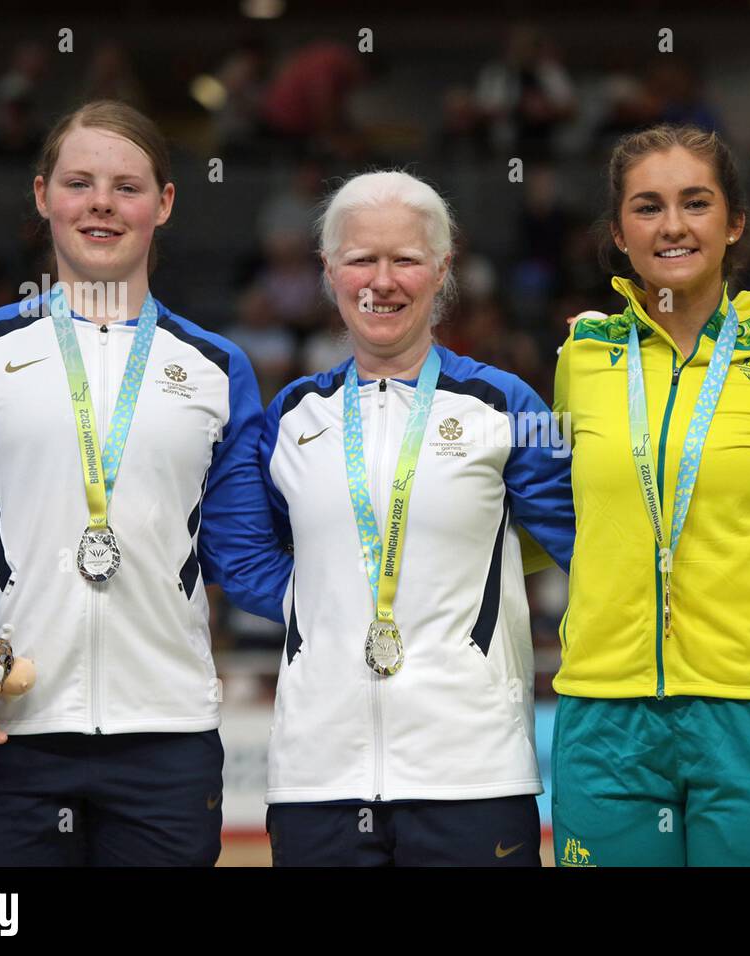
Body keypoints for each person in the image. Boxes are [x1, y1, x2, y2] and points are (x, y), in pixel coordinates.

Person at [0, 100, 291, 866]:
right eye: (80, 182)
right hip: (4, 731)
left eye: (127, 186)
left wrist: (366, 593)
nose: (102, 202)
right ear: (43, 196)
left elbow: (240, 559)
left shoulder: (217, 368)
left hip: (167, 740)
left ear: (164, 204)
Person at [259, 170, 575, 866]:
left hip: (473, 773)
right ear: (329, 271)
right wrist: (318, 617)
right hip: (318, 777)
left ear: (441, 269)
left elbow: (583, 541)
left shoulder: (503, 404)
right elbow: (247, 551)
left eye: (404, 259)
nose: (383, 280)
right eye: (361, 259)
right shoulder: (289, 417)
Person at [551, 124, 750, 867]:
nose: (672, 225)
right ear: (618, 232)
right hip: (604, 705)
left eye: (695, 203)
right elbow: (555, 507)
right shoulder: (583, 362)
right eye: (647, 207)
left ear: (734, 221)